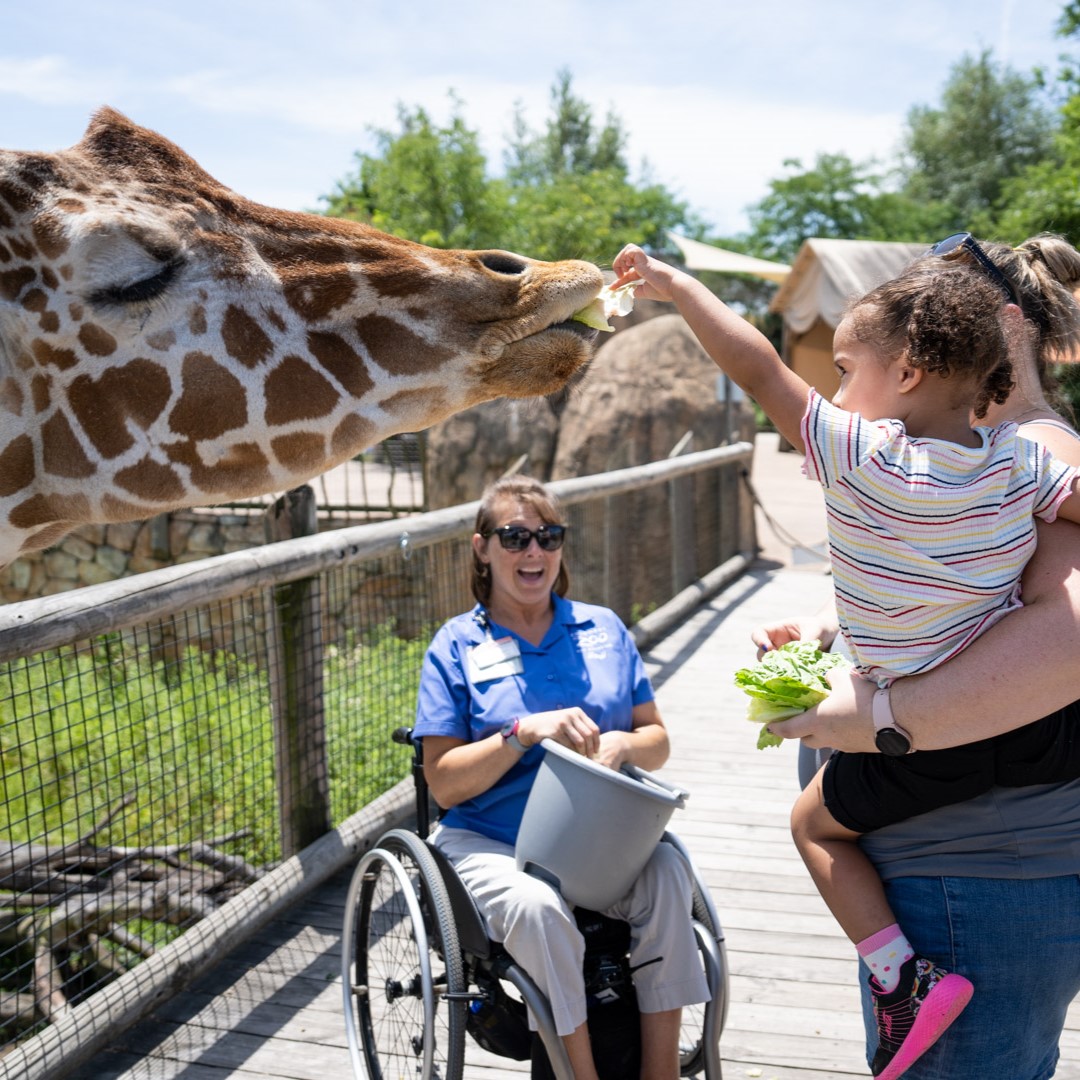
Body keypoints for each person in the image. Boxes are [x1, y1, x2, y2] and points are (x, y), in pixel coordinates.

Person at [611, 236, 1080, 1079]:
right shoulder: (1019, 464)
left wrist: (680, 289)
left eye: (842, 366)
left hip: (936, 775)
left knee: (810, 824)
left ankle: (901, 975)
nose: (832, 388)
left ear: (904, 376)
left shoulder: (863, 455)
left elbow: (756, 368)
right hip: (984, 742)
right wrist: (836, 626)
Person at [753, 233, 1080, 1080]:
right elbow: (976, 609)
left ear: (1001, 332)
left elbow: (1067, 638)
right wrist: (834, 633)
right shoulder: (969, 463)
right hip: (932, 863)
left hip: (969, 876)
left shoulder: (1036, 455)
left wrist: (870, 718)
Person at [412, 475, 710, 1080]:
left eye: (548, 536)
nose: (534, 552)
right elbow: (442, 784)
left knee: (671, 873)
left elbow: (658, 741)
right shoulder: (457, 645)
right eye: (515, 536)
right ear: (482, 548)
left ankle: (663, 1073)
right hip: (492, 844)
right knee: (539, 908)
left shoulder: (602, 630)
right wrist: (520, 732)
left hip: (597, 840)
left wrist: (625, 742)